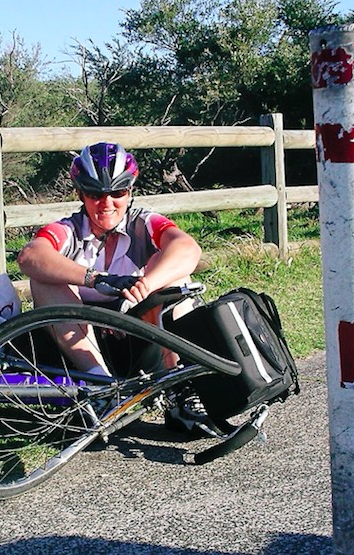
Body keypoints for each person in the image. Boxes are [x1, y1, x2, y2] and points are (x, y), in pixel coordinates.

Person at [17, 142, 210, 432]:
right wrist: (95, 279)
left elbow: (187, 249)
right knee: (43, 278)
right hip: (85, 348)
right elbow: (30, 256)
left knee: (172, 275)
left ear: (129, 191)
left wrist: (143, 288)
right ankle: (105, 391)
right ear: (80, 194)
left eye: (117, 193)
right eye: (95, 194)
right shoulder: (68, 229)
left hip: (143, 339)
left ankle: (179, 389)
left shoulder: (143, 222)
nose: (106, 204)